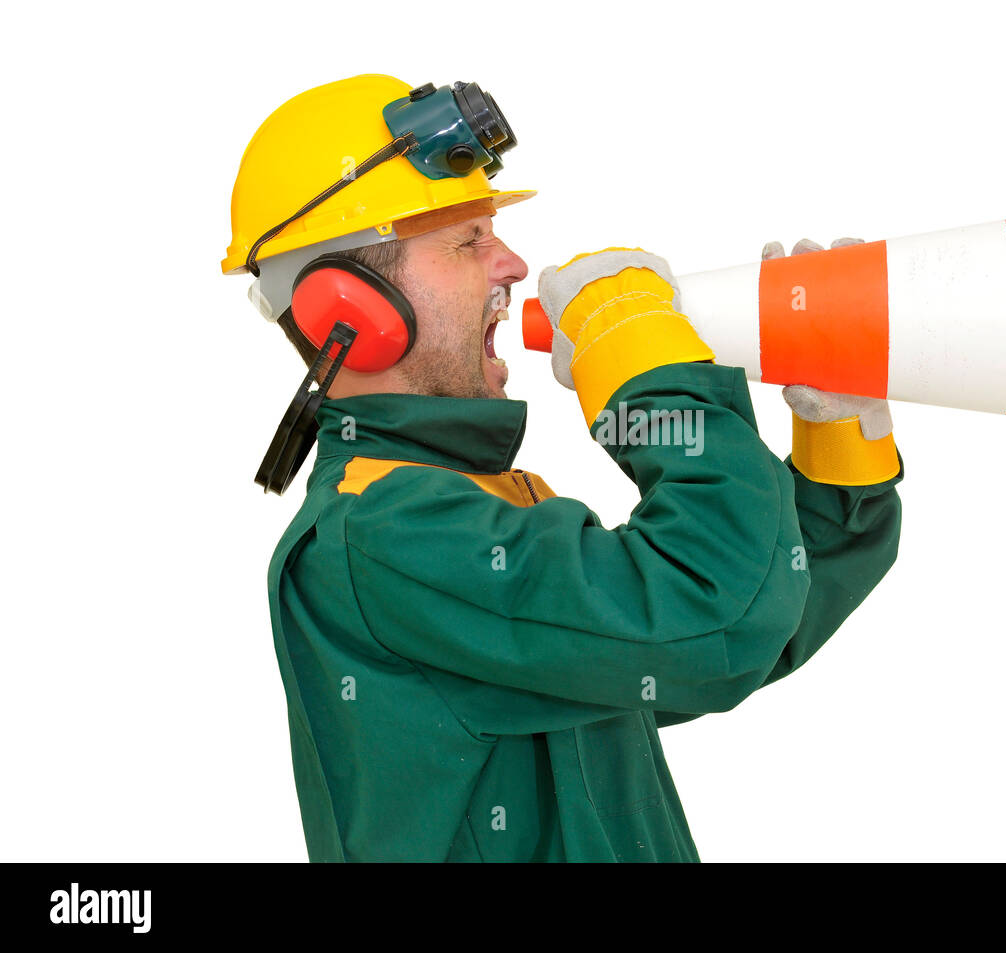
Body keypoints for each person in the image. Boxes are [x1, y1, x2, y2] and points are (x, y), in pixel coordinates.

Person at [224, 74, 903, 862]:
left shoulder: (470, 505)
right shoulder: (383, 536)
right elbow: (712, 609)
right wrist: (641, 371)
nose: (511, 264)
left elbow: (744, 621)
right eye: (468, 238)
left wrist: (839, 446)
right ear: (348, 307)